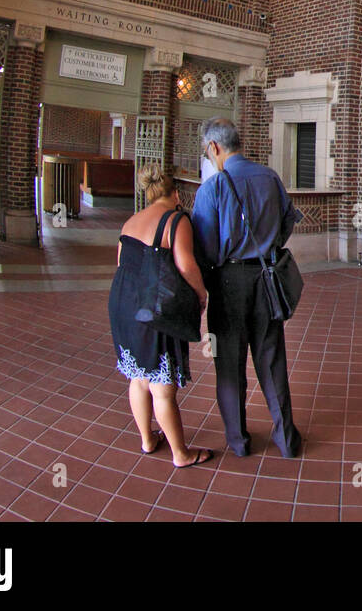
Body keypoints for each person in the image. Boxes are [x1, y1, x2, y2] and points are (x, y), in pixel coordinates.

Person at [190, 117, 302, 458]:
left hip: (228, 283)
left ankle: (238, 441)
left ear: (214, 147)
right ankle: (286, 440)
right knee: (272, 360)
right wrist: (267, 249)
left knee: (228, 365)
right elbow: (288, 221)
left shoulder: (212, 188)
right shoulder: (270, 177)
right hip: (267, 279)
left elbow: (204, 249)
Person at [108, 164, 214, 468]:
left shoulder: (131, 221)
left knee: (138, 379)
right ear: (176, 193)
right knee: (162, 388)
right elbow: (185, 265)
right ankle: (181, 454)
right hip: (154, 308)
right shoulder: (175, 220)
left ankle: (147, 440)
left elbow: (121, 262)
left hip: (123, 303)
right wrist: (201, 294)